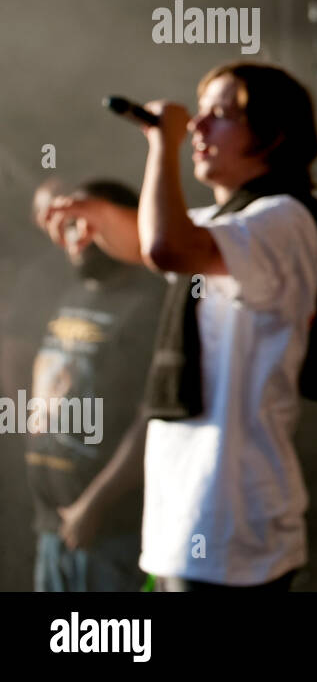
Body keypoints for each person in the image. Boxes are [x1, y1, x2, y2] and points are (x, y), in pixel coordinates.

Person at [42, 62, 317, 591]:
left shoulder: (283, 218)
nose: (197, 127)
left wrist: (160, 145)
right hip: (190, 522)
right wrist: (94, 215)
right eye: (200, 114)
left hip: (233, 525)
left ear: (272, 134)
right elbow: (148, 244)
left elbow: (168, 247)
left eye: (222, 115)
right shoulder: (233, 223)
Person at [25, 179, 164, 591]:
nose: (75, 240)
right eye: (68, 228)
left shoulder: (154, 303)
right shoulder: (74, 295)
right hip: (52, 528)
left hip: (113, 532)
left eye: (86, 226)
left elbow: (154, 418)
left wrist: (94, 505)